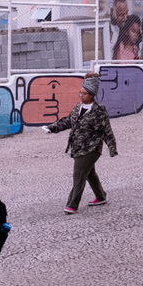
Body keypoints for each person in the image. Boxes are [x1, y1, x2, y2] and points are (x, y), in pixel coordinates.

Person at [43, 72, 117, 214]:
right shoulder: (78, 107)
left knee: (79, 174)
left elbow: (106, 129)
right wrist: (51, 128)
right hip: (77, 147)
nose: (81, 95)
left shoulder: (99, 110)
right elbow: (67, 121)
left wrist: (112, 147)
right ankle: (101, 196)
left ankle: (72, 204)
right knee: (89, 173)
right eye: (80, 92)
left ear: (91, 94)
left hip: (92, 148)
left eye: (84, 93)